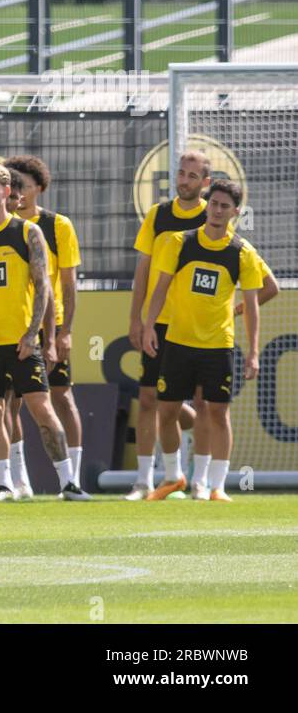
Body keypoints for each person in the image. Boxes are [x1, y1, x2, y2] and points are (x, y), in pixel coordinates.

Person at [0, 164, 89, 502]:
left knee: (42, 408)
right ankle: (3, 485)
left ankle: (68, 482)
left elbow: (44, 287)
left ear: (5, 191)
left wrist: (33, 335)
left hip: (21, 342)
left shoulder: (28, 232)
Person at [142, 179, 263, 503]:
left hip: (218, 345)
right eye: (214, 204)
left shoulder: (243, 253)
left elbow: (252, 306)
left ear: (235, 212)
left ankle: (215, 485)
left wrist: (253, 352)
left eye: (225, 206)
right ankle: (173, 477)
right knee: (167, 410)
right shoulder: (180, 242)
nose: (217, 211)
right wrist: (149, 326)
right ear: (206, 206)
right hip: (178, 342)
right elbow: (160, 288)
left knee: (217, 412)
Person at [126, 151, 212, 500]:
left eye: (192, 176)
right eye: (181, 173)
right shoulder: (158, 215)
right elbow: (143, 269)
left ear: (205, 182)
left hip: (195, 325)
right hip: (158, 323)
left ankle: (200, 480)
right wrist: (136, 318)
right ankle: (144, 481)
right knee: (149, 399)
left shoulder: (212, 216)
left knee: (203, 404)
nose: (184, 181)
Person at [2, 155, 84, 496]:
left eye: (21, 184)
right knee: (8, 402)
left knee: (61, 397)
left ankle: (73, 478)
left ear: (38, 187)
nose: (16, 191)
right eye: (11, 184)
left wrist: (64, 332)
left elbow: (68, 282)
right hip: (11, 325)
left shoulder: (56, 225)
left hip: (51, 323)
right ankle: (18, 480)